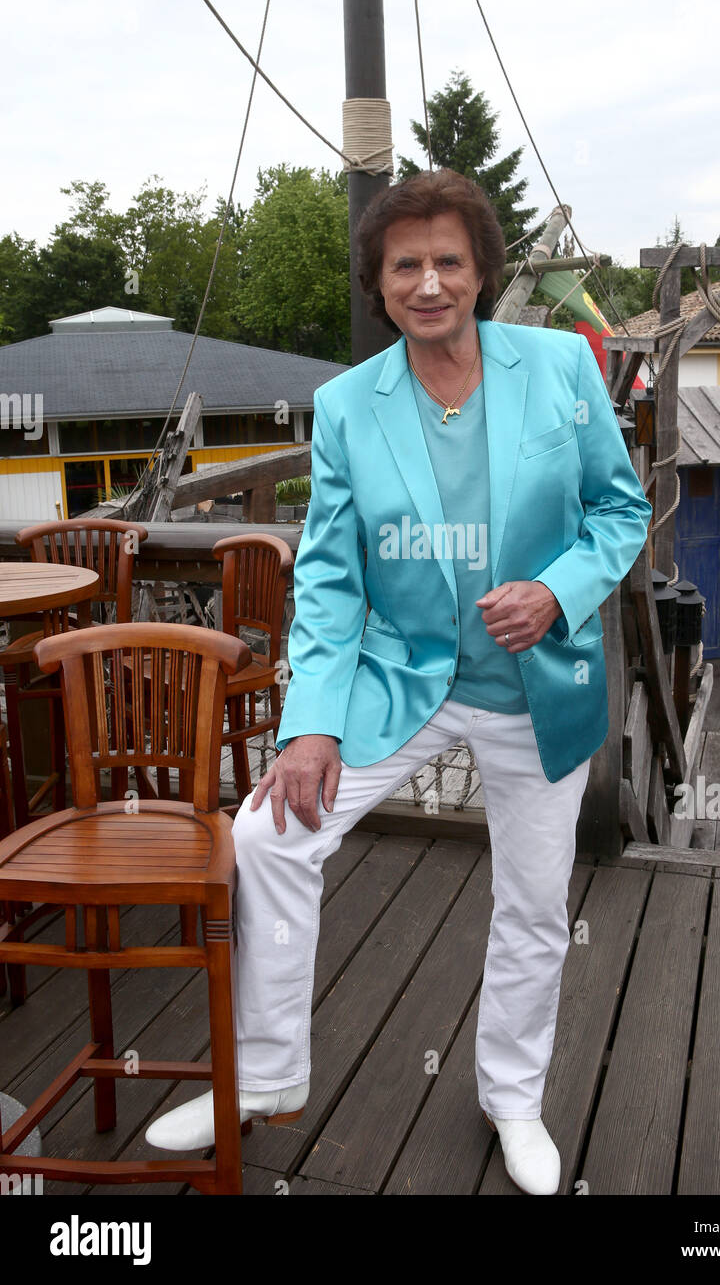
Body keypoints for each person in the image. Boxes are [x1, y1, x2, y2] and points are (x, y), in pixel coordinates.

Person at [146, 169, 652, 1194]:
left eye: (447, 261)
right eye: (405, 265)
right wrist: (309, 725)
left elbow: (619, 512)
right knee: (265, 832)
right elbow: (329, 578)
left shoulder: (560, 365)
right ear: (380, 286)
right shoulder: (345, 406)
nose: (429, 282)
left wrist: (556, 592)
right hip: (398, 680)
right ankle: (268, 1073)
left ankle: (512, 1098)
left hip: (535, 687)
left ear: (479, 271)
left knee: (533, 904)